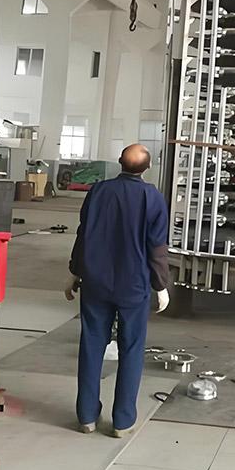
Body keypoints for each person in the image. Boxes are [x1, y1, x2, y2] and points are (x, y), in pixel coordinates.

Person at [65, 143, 170, 437]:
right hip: (133, 285)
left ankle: (86, 416)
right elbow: (156, 247)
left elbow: (83, 234)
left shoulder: (98, 191)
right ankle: (122, 421)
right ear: (148, 167)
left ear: (119, 162)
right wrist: (160, 285)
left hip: (95, 282)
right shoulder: (152, 197)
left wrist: (75, 271)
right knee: (132, 349)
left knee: (91, 345)